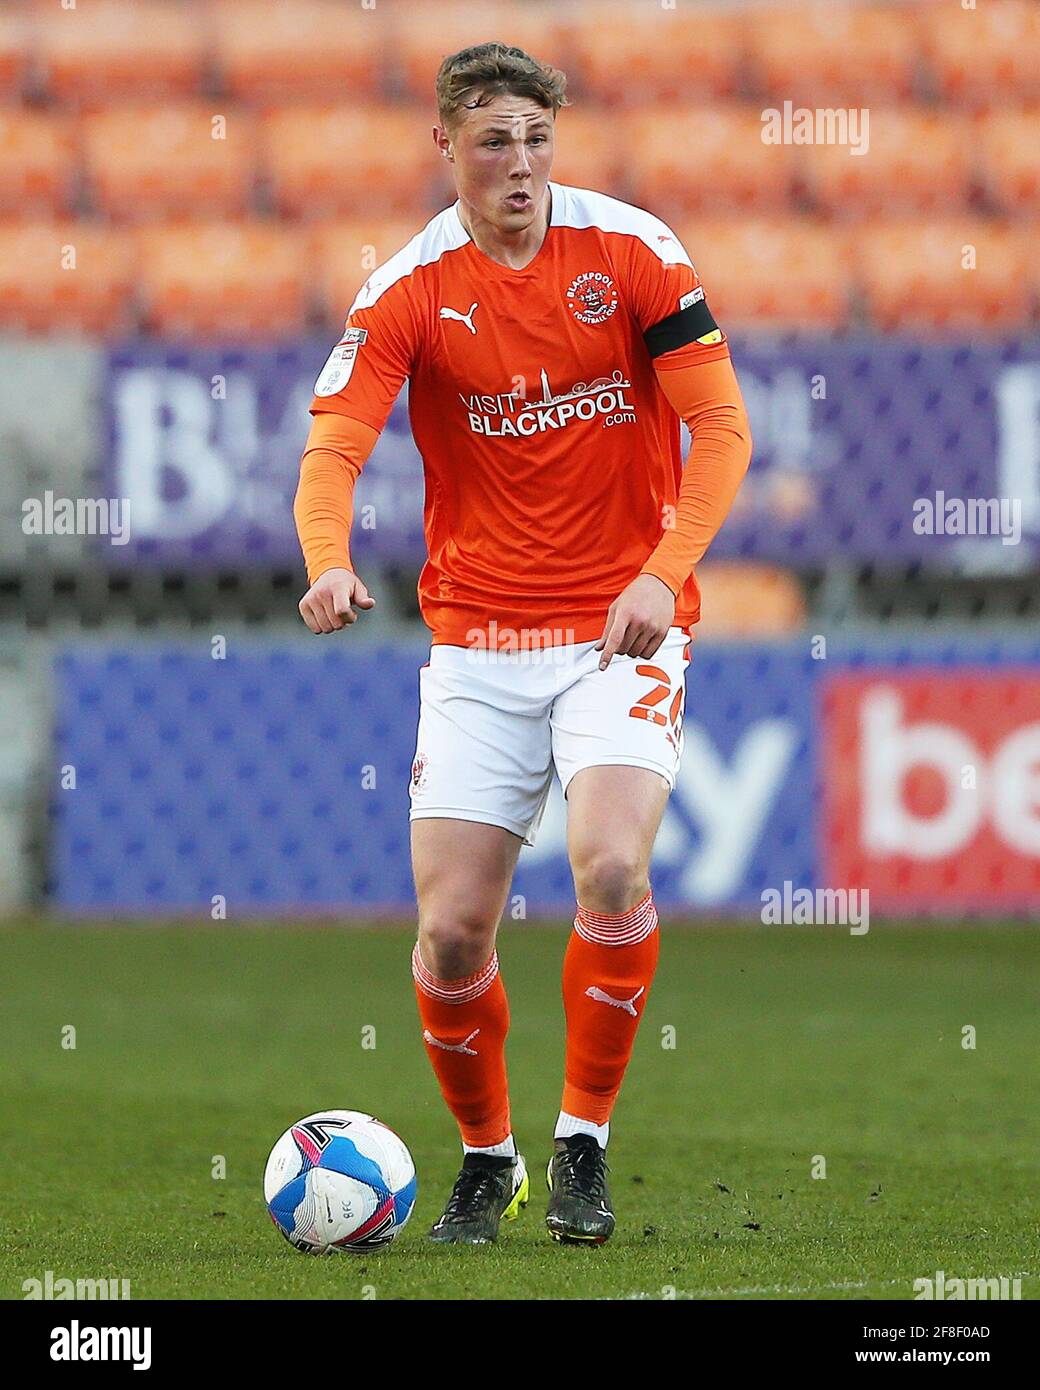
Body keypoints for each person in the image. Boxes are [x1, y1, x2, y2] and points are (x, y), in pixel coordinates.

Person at [294, 42, 752, 1245]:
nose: (519, 164)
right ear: (442, 145)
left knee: (610, 869)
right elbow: (335, 441)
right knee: (450, 934)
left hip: (621, 626)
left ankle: (581, 1146)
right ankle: (486, 1159)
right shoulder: (409, 285)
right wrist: (326, 558)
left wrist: (663, 572)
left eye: (536, 138)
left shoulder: (632, 252)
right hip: (478, 642)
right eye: (492, 140)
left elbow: (720, 431)